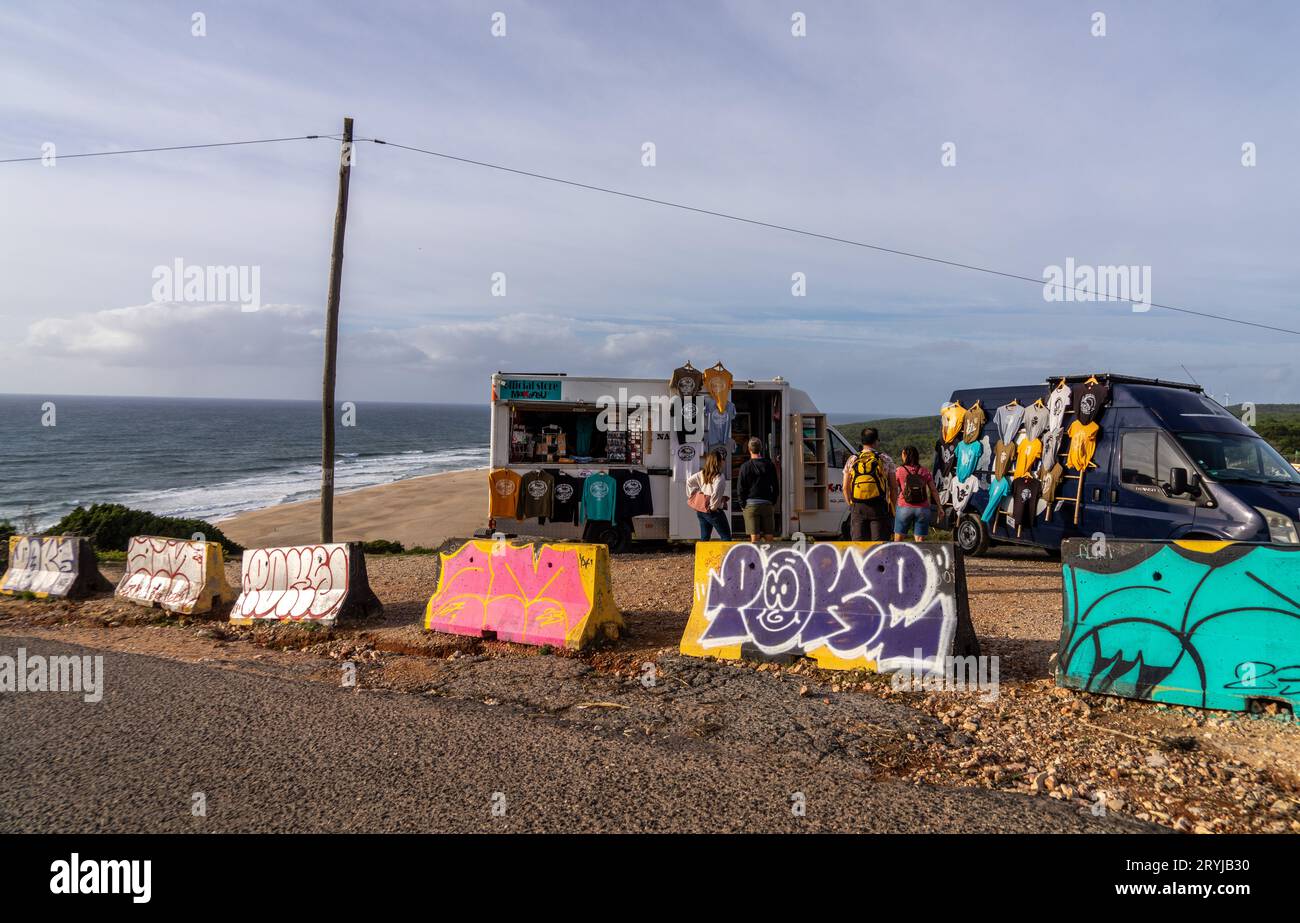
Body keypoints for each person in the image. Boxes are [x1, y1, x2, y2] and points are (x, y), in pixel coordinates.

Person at [842, 427, 896, 541]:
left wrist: (851, 505)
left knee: (859, 545)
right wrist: (892, 508)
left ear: (862, 441)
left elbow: (845, 487)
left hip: (858, 506)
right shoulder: (885, 459)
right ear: (876, 441)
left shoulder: (852, 459)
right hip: (879, 506)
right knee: (878, 545)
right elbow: (894, 488)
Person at [893, 445, 942, 542]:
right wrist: (939, 507)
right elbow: (933, 490)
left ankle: (896, 556)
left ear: (905, 455)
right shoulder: (924, 471)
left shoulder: (899, 471)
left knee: (898, 539)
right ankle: (917, 557)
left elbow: (894, 489)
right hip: (922, 508)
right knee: (919, 540)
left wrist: (892, 505)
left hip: (904, 507)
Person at [737, 436, 779, 542]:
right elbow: (775, 485)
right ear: (761, 448)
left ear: (749, 449)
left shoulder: (745, 467)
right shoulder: (769, 465)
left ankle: (755, 558)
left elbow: (740, 488)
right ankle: (769, 556)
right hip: (767, 503)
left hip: (751, 505)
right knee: (769, 536)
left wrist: (743, 504)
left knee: (754, 538)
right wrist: (772, 501)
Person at [686, 448, 732, 540]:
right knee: (726, 537)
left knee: (705, 537)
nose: (723, 461)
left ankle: (702, 554)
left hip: (701, 510)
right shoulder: (719, 477)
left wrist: (694, 494)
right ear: (718, 462)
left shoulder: (702, 473)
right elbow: (716, 494)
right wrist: (713, 508)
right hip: (712, 511)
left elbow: (689, 481)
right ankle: (726, 554)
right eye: (722, 459)